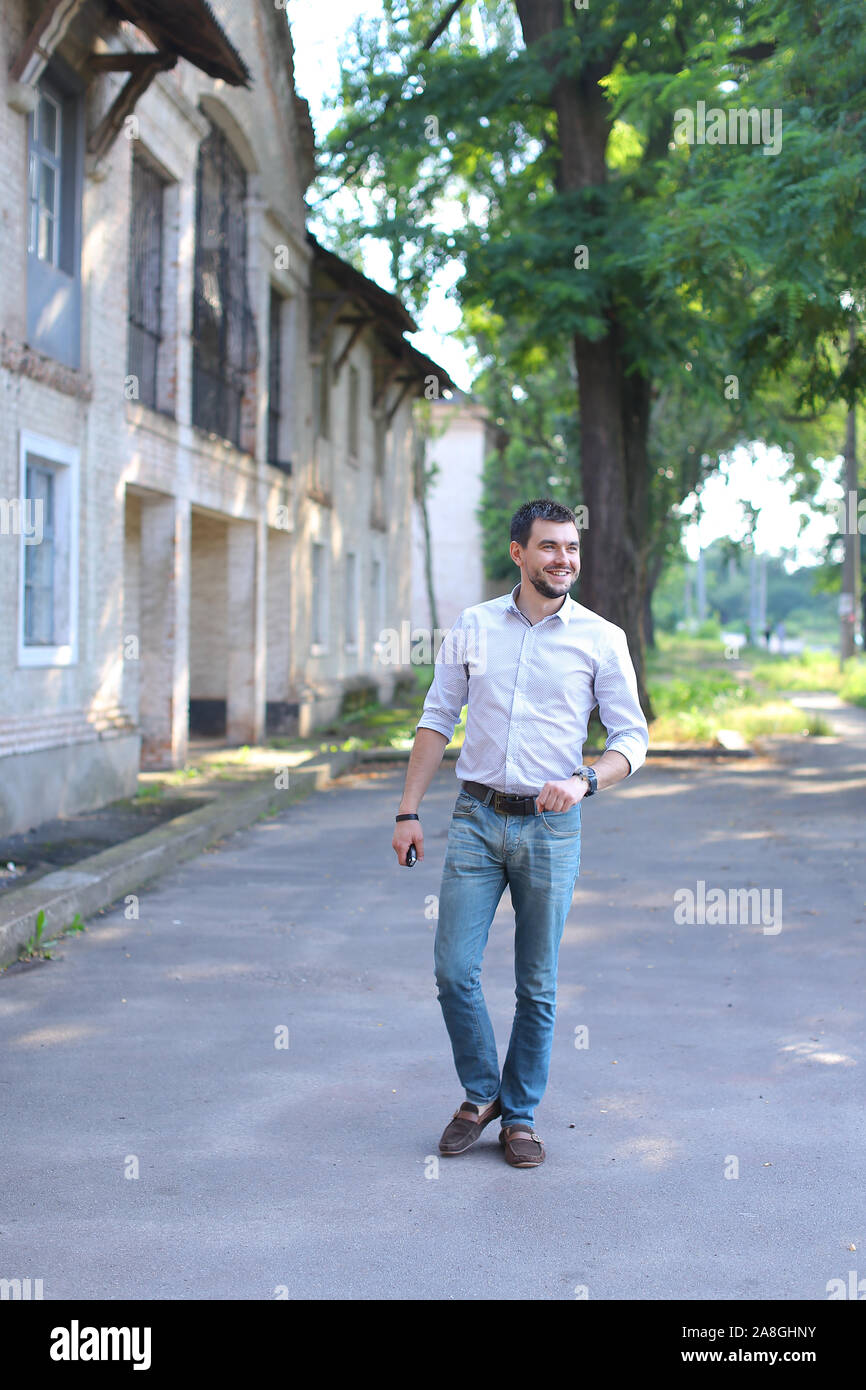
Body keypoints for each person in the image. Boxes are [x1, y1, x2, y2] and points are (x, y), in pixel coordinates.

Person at [392, 498, 649, 1168]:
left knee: (537, 984)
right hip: (476, 819)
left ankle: (521, 1116)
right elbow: (436, 718)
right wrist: (408, 810)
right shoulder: (474, 627)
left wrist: (589, 780)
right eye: (549, 547)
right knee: (453, 971)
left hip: (552, 827)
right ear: (518, 552)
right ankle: (482, 1094)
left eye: (571, 548)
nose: (563, 559)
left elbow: (631, 738)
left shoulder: (601, 637)